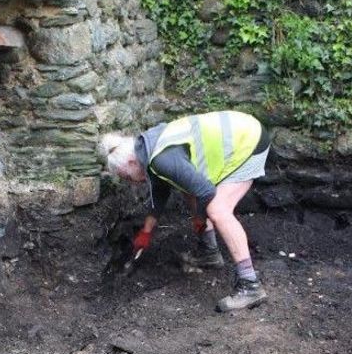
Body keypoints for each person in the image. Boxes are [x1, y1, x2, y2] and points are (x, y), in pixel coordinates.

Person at [98, 110, 270, 312]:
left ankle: (250, 285)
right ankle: (210, 253)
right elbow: (159, 192)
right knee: (189, 189)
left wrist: (199, 217)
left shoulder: (161, 160)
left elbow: (205, 191)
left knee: (217, 209)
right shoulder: (147, 148)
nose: (131, 183)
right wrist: (146, 232)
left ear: (131, 162)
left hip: (248, 142)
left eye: (127, 177)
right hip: (240, 132)